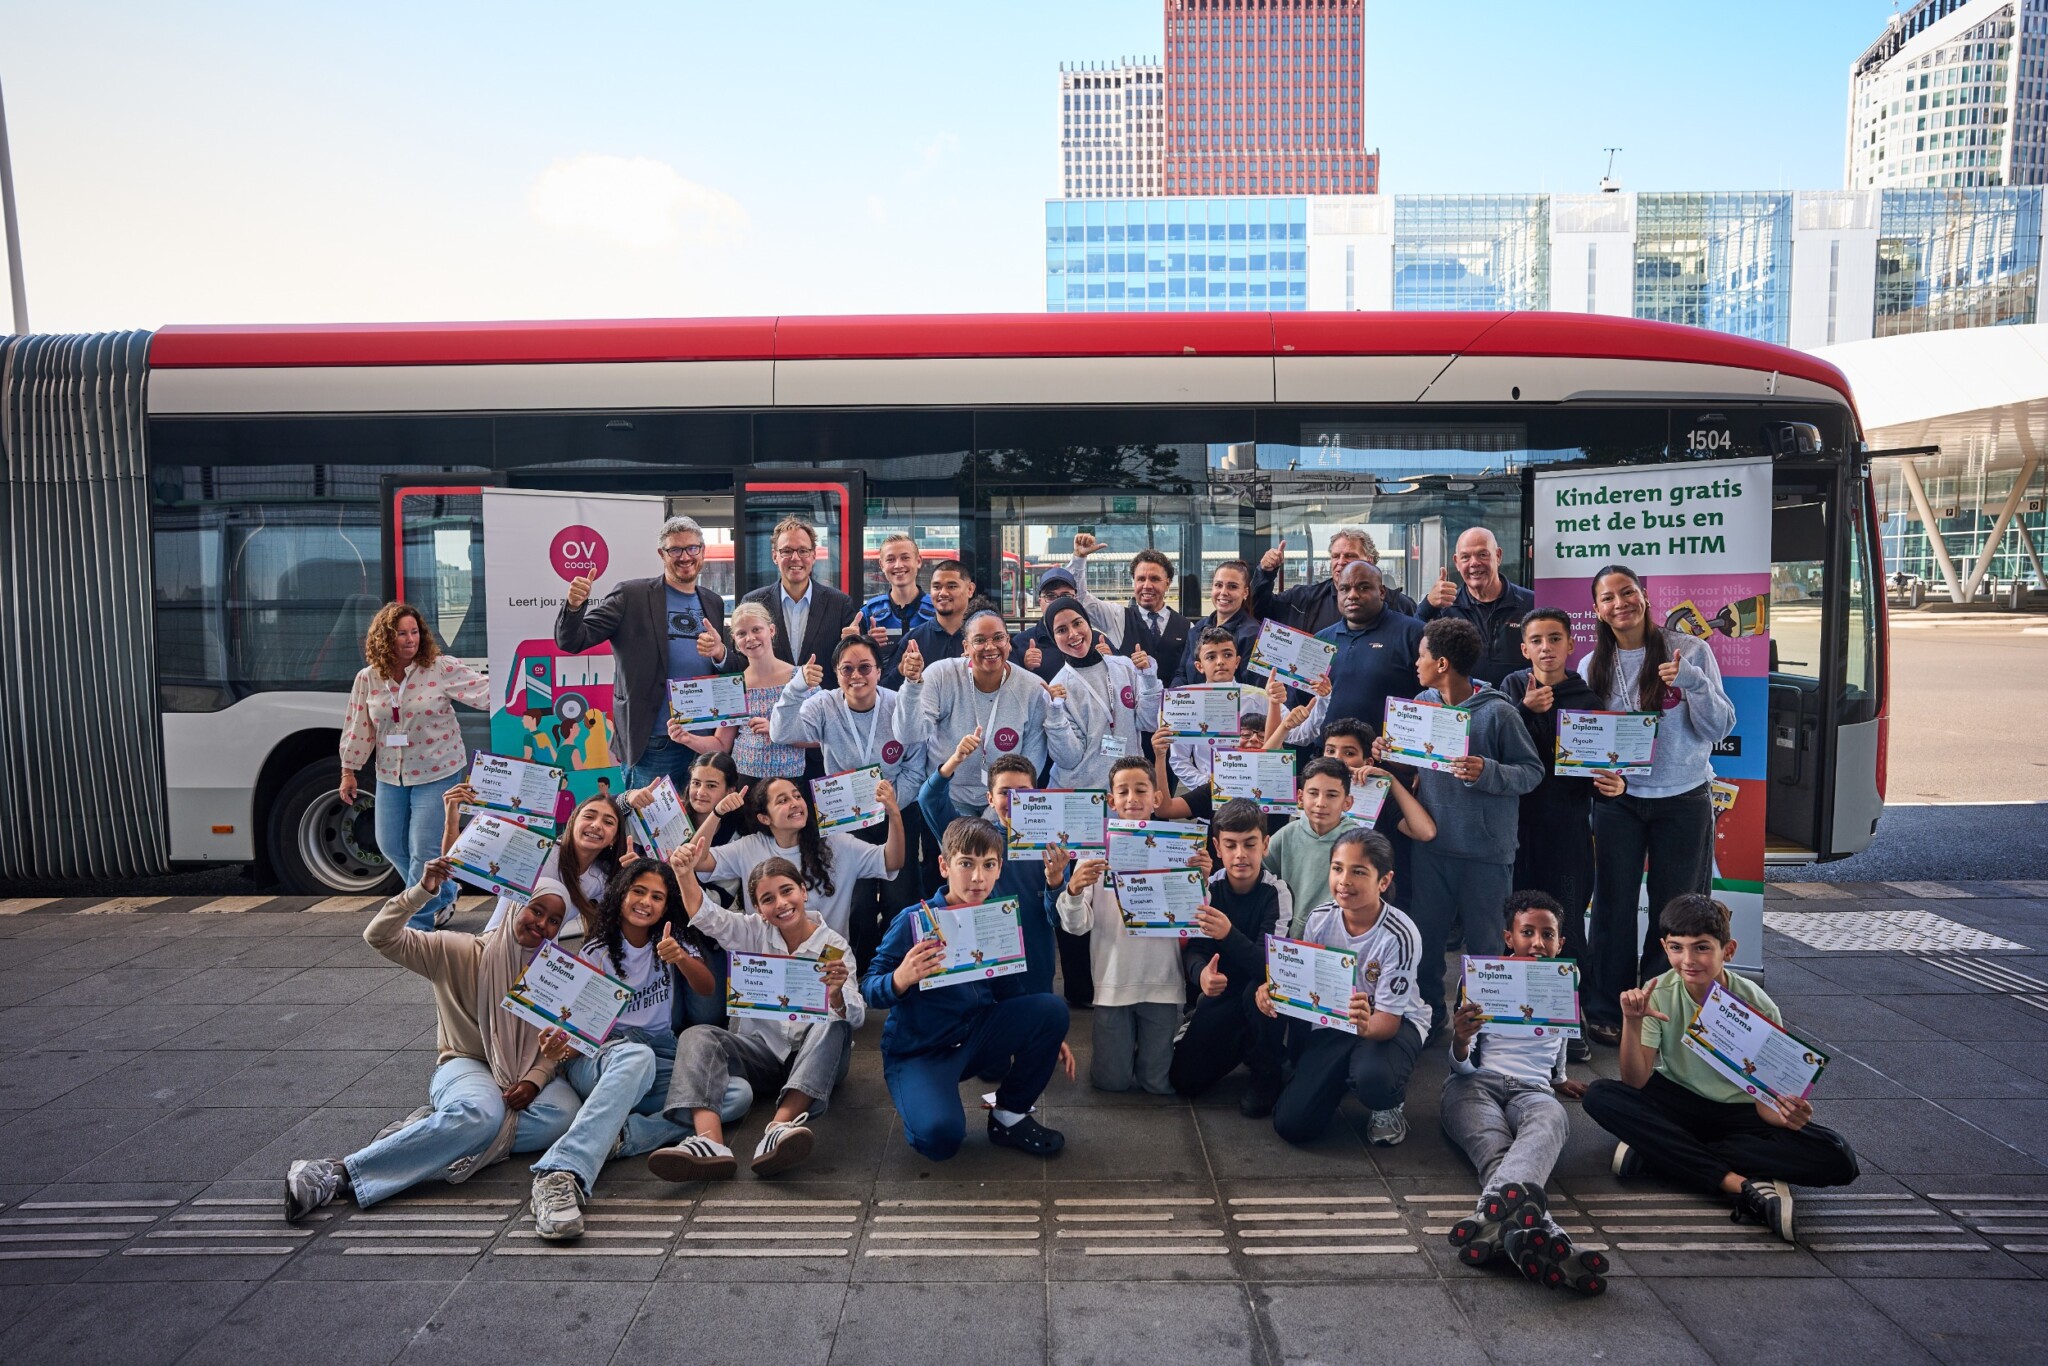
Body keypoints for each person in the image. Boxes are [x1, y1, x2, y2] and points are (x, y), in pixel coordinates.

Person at [284, 862, 579, 1222]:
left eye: (554, 921)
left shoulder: (556, 972)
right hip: (467, 1062)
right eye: (537, 910)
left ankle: (434, 1131)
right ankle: (340, 1171)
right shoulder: (460, 951)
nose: (542, 925)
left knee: (562, 1116)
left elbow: (561, 1043)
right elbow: (380, 937)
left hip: (523, 1073)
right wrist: (421, 893)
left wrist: (535, 1079)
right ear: (517, 905)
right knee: (481, 1116)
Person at [1582, 894, 1860, 1242]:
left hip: (1739, 1113)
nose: (1688, 960)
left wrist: (1788, 1114)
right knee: (1600, 1095)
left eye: (1701, 948)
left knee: (1838, 1157)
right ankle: (1737, 1184)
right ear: (1664, 948)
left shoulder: (1759, 1006)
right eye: (1676, 948)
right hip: (1677, 1101)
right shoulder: (1658, 991)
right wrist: (1631, 1021)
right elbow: (1635, 1081)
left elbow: (1765, 1103)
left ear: (1728, 950)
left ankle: (1661, 1154)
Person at [1578, 565, 1736, 1045]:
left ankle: (1657, 1003)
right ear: (1598, 610)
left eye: (1627, 592)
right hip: (1619, 803)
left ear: (1644, 596)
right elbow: (1585, 740)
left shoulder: (1691, 650)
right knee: (1612, 906)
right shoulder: (1591, 664)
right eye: (1608, 598)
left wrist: (1692, 682)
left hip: (1683, 797)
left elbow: (1720, 728)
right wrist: (1594, 772)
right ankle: (1607, 1007)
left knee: (1675, 911)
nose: (1619, 603)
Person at [523, 858, 721, 1238]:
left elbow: (707, 989)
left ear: (668, 905)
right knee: (637, 1057)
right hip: (606, 1054)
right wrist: (558, 1045)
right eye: (638, 891)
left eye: (657, 896)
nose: (646, 902)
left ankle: (618, 1137)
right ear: (621, 895)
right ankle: (560, 1172)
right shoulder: (597, 950)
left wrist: (680, 958)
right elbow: (576, 1026)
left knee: (733, 1095)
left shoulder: (672, 939)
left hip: (660, 1052)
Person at [863, 817, 1073, 1161]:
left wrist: (1044, 1031)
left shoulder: (995, 917)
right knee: (940, 1138)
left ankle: (1009, 1115)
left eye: (988, 865)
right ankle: (920, 1096)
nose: (978, 877)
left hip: (974, 1036)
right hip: (921, 1049)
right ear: (944, 866)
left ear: (999, 868)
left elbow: (1007, 986)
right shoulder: (915, 921)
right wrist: (900, 978)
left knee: (1051, 1010)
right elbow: (869, 988)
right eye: (966, 864)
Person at [1373, 617, 1544, 1034]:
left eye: (1423, 655)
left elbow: (1532, 772)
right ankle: (1430, 1019)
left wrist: (1487, 771)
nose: (1416, 662)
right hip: (1432, 847)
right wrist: (1386, 752)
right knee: (1427, 944)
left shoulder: (1499, 713)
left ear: (1444, 663)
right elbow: (1413, 765)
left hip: (1486, 854)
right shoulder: (1422, 703)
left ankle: (1481, 1029)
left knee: (1485, 949)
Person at [647, 856, 864, 1180]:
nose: (781, 903)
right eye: (767, 899)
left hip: (817, 1060)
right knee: (697, 1035)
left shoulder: (831, 946)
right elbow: (707, 916)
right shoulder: (753, 932)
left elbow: (857, 1016)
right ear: (759, 909)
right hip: (763, 1055)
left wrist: (836, 994)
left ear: (804, 892)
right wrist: (683, 873)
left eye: (787, 891)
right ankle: (708, 1143)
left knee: (833, 1023)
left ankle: (779, 1127)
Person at [1442, 891, 1608, 1295]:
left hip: (1533, 1090)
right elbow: (1460, 1063)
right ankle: (1552, 1239)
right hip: (1475, 1083)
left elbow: (1560, 1036)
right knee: (1495, 1150)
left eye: (1547, 935)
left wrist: (1558, 1077)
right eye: (1527, 932)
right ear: (1508, 937)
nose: (1537, 942)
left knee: (1552, 1120)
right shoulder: (1479, 977)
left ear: (1560, 943)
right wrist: (1460, 1040)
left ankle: (1494, 1226)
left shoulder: (1566, 979)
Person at [1498, 608, 1623, 1062]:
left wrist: (1614, 786)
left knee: (1566, 928)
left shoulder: (1587, 700)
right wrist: (1522, 712)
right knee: (1512, 925)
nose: (1546, 647)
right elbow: (1491, 743)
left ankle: (1571, 1022)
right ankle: (1508, 1016)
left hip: (1566, 832)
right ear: (1524, 648)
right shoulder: (1513, 690)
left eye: (1555, 638)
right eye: (1537, 639)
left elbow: (1601, 778)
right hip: (1514, 829)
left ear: (1572, 646)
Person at [1258, 828, 1431, 1147]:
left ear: (1384, 880)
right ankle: (1341, 1074)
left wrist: (1363, 1026)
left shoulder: (1400, 934)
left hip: (1389, 1021)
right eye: (1337, 868)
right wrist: (1271, 992)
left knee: (1373, 1078)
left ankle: (1388, 1103)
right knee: (1292, 1125)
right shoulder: (1319, 919)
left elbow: (1388, 1023)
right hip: (1336, 1019)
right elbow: (1302, 983)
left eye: (1359, 871)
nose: (1344, 880)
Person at [771, 634, 930, 965]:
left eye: (865, 668)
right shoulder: (823, 704)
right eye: (847, 669)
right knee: (856, 901)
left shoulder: (898, 703)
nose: (856, 676)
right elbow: (782, 733)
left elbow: (916, 764)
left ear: (878, 670)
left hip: (895, 812)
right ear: (836, 673)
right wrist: (796, 688)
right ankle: (860, 967)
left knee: (898, 897)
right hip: (845, 818)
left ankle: (898, 963)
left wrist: (890, 802)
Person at [1055, 757, 1211, 1093]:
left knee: (1157, 1084)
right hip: (1113, 981)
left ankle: (1176, 1030)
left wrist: (1202, 881)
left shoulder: (1180, 847)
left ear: (1157, 798)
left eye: (1141, 789)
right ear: (1110, 800)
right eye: (1122, 791)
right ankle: (1127, 1049)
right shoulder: (1093, 853)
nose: (1132, 798)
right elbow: (1077, 927)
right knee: (1111, 1082)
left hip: (1162, 981)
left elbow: (1197, 920)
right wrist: (1073, 890)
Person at [340, 602, 490, 929]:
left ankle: (415, 922)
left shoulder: (440, 668)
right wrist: (348, 770)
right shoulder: (368, 678)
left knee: (424, 849)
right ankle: (444, 888)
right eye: (402, 634)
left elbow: (486, 693)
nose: (411, 640)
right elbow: (358, 725)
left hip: (439, 770)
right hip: (390, 775)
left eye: (414, 632)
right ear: (385, 639)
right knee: (390, 844)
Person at [555, 515, 730, 791]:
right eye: (675, 550)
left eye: (692, 548)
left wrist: (720, 652)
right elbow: (573, 641)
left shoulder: (713, 601)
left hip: (704, 739)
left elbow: (727, 662)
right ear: (662, 554)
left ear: (703, 551)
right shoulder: (631, 595)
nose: (685, 557)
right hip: (654, 741)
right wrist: (575, 607)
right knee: (649, 825)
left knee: (699, 823)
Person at [1168, 798, 1291, 1116]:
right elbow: (1195, 950)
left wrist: (1227, 933)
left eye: (1249, 844)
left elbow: (1271, 966)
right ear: (1216, 848)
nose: (1240, 855)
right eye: (1231, 845)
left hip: (1259, 991)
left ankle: (1267, 1074)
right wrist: (1201, 976)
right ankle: (1243, 1043)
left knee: (1262, 993)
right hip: (1220, 995)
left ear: (1265, 845)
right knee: (1184, 1080)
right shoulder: (1208, 889)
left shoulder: (1276, 892)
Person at [918, 744, 1066, 996]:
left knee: (1035, 1025)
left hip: (1035, 967)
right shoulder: (974, 838)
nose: (1014, 800)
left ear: (1038, 794)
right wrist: (954, 760)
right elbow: (929, 800)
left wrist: (1055, 882)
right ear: (990, 799)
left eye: (1022, 792)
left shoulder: (1054, 848)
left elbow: (1059, 918)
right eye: (1004, 792)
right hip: (982, 967)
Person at [688, 775, 903, 941]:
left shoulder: (837, 843)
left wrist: (894, 814)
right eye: (782, 800)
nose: (794, 803)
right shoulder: (750, 846)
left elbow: (892, 861)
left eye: (797, 796)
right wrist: (716, 814)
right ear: (764, 818)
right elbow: (698, 861)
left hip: (828, 961)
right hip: (771, 958)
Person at [895, 608, 1058, 815]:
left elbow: (1031, 761)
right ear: (966, 647)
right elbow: (908, 734)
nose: (990, 647)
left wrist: (993, 818)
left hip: (1005, 806)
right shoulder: (941, 675)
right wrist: (911, 684)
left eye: (998, 638)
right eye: (979, 640)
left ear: (1008, 641)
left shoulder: (1033, 688)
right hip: (948, 800)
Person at [1267, 562, 1423, 752]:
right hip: (1328, 762)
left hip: (1387, 762)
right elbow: (1301, 703)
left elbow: (1430, 700)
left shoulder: (1413, 634)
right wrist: (1277, 697)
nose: (1352, 595)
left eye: (1363, 587)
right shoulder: (1321, 641)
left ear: (1381, 592)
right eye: (1344, 589)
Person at [461, 786, 627, 940]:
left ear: (614, 838)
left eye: (608, 822)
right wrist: (452, 821)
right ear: (572, 821)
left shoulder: (599, 877)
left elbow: (624, 923)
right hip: (494, 947)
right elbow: (459, 863)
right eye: (589, 816)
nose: (596, 825)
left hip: (539, 961)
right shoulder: (539, 852)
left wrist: (630, 874)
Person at [1041, 597, 1162, 790]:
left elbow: (1149, 722)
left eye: (1077, 623)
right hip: (1081, 796)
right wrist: (1054, 715)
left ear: (1088, 624)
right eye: (1061, 630)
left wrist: (1148, 679)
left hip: (1126, 791)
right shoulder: (1057, 689)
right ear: (1053, 638)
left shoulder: (1124, 668)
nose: (1073, 634)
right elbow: (1069, 759)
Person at [735, 515, 859, 673]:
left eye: (803, 551)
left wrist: (856, 641)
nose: (795, 558)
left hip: (823, 696)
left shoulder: (840, 604)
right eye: (786, 551)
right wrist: (720, 653)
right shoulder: (753, 602)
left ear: (813, 556)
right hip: (773, 697)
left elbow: (851, 661)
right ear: (775, 556)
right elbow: (742, 660)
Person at [1065, 535, 1192, 688]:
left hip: (1174, 708)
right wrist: (1079, 558)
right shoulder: (1117, 617)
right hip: (1129, 709)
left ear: (1168, 583)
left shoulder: (1187, 627)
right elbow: (1080, 599)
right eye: (1140, 579)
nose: (1147, 585)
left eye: (1154, 579)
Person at [1418, 527, 1537, 687]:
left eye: (1482, 554)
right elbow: (1415, 645)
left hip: (1521, 706)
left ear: (1498, 556)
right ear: (1457, 563)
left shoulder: (1530, 603)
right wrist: (1427, 605)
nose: (1474, 563)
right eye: (1465, 557)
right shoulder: (1444, 608)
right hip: (1463, 709)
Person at [1251, 527, 1414, 635]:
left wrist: (1431, 605)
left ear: (1369, 560)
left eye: (1350, 556)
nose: (1341, 561)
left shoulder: (1398, 604)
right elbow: (1258, 610)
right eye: (1335, 556)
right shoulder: (1304, 598)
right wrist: (1265, 572)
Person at [1262, 757, 1359, 936]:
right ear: (1300, 797)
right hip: (1289, 939)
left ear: (1347, 802)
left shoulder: (1359, 843)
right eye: (1313, 793)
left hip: (1337, 938)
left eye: (1331, 795)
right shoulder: (1287, 835)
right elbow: (1260, 874)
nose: (1320, 803)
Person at [1167, 626, 1268, 794]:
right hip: (1209, 796)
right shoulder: (1186, 701)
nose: (1220, 661)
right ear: (1199, 666)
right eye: (1211, 657)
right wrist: (1210, 786)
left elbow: (1299, 735)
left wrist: (1322, 699)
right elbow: (1179, 759)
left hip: (1256, 792)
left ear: (1237, 661)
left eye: (1227, 655)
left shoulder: (1261, 697)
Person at [724, 602, 804, 784]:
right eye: (742, 633)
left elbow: (820, 734)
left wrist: (776, 730)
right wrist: (686, 737)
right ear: (735, 640)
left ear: (772, 630)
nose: (750, 638)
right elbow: (721, 744)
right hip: (745, 777)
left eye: (756, 629)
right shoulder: (734, 685)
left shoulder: (799, 678)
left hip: (788, 780)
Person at [883, 559, 979, 690]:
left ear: (970, 589)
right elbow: (884, 691)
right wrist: (902, 671)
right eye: (936, 587)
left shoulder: (984, 638)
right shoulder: (913, 640)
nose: (943, 593)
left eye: (951, 586)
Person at [1175, 559, 1262, 685]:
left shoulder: (1253, 635)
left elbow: (1253, 688)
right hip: (1193, 703)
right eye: (1218, 585)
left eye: (1232, 586)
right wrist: (1172, 700)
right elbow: (1182, 674)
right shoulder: (1197, 629)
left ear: (1245, 593)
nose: (1223, 592)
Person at [1010, 566, 1094, 683]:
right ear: (1040, 602)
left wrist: (1108, 661)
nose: (1058, 602)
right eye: (1050, 596)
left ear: (1076, 599)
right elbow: (1009, 688)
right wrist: (1024, 669)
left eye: (1066, 596)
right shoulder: (1020, 644)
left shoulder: (1097, 640)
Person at [858, 532, 936, 648]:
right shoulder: (868, 613)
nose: (898, 565)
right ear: (881, 565)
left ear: (918, 561)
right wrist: (865, 644)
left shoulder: (938, 610)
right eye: (890, 559)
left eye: (905, 558)